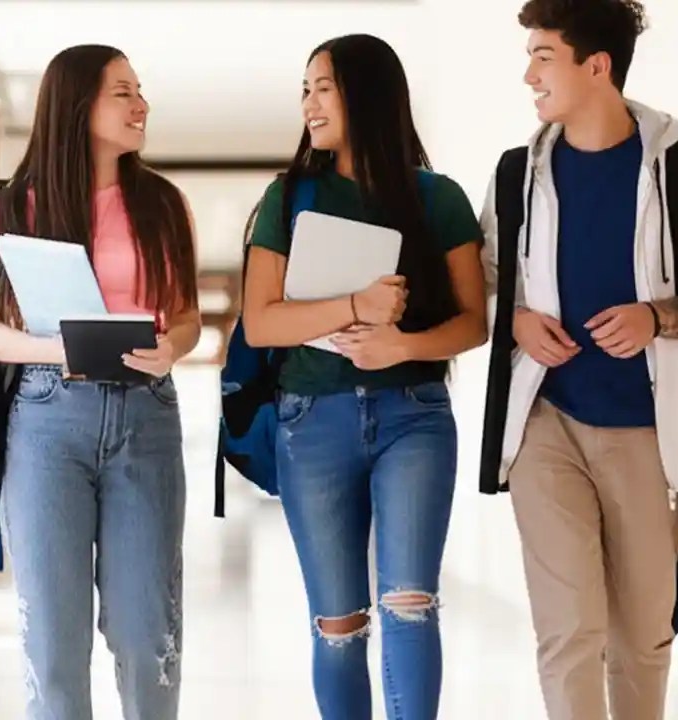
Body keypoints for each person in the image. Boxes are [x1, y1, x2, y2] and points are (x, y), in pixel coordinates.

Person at [478, 2, 678, 718]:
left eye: (543, 56)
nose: (528, 76)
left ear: (597, 66)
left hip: (647, 435)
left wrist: (658, 318)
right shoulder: (518, 174)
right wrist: (515, 319)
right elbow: (482, 284)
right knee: (569, 631)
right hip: (546, 425)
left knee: (642, 640)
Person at [240, 33, 488, 720]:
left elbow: (474, 323)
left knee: (411, 604)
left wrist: (401, 345)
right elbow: (260, 323)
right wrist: (356, 305)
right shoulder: (287, 197)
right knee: (338, 625)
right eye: (305, 90)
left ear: (368, 95)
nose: (309, 104)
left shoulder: (439, 198)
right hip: (311, 422)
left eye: (323, 87)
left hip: (414, 416)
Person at [0, 44, 199, 720]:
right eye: (124, 92)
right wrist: (51, 349)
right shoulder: (12, 206)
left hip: (146, 415)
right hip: (47, 420)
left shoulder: (164, 205)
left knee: (148, 633)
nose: (141, 104)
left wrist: (172, 348)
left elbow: (185, 318)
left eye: (140, 90)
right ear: (78, 105)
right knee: (53, 641)